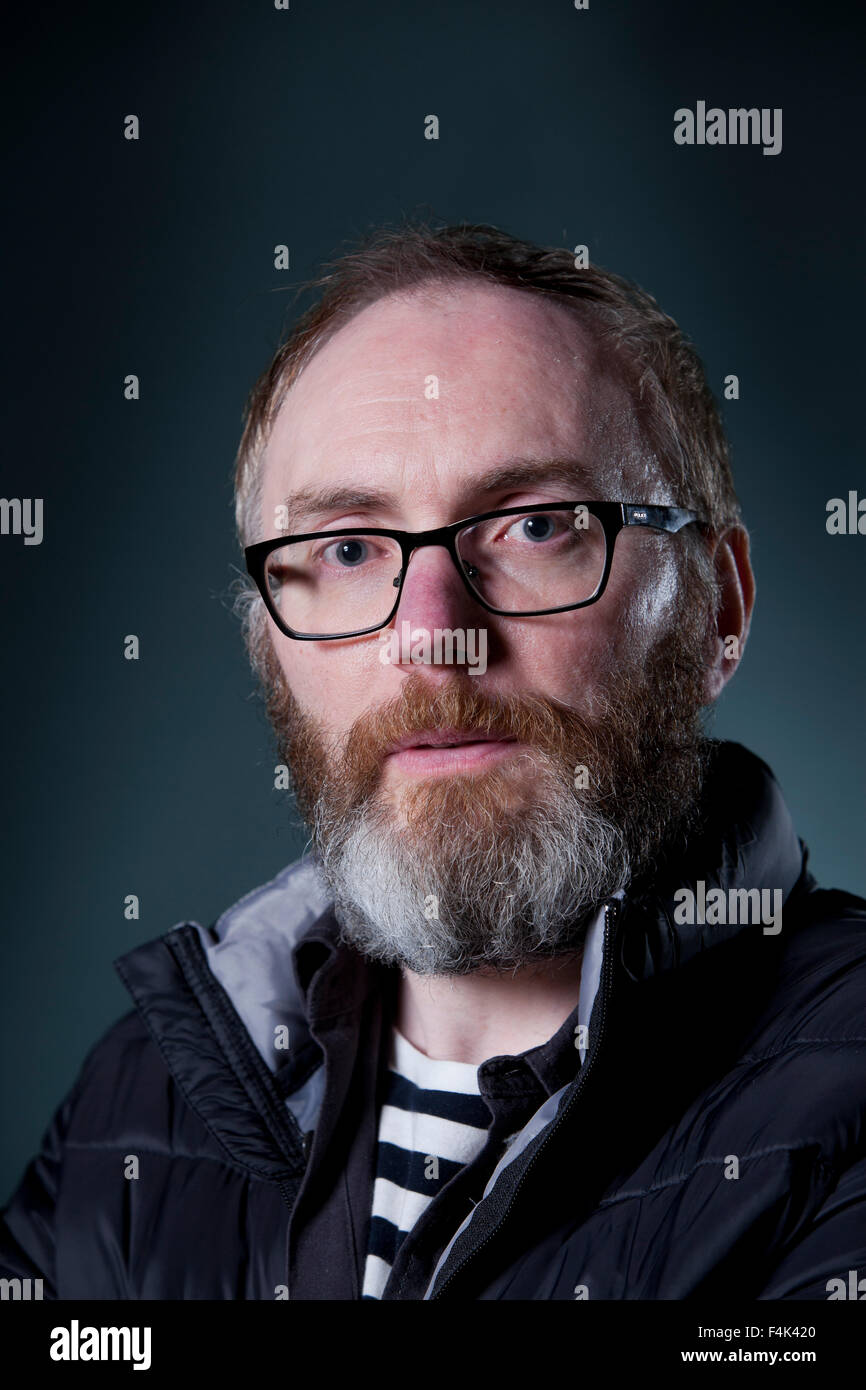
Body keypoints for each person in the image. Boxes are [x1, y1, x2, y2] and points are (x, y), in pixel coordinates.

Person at [2, 222, 864, 1301]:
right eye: (351, 548)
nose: (433, 634)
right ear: (266, 640)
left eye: (536, 525)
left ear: (715, 611)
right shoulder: (134, 1107)